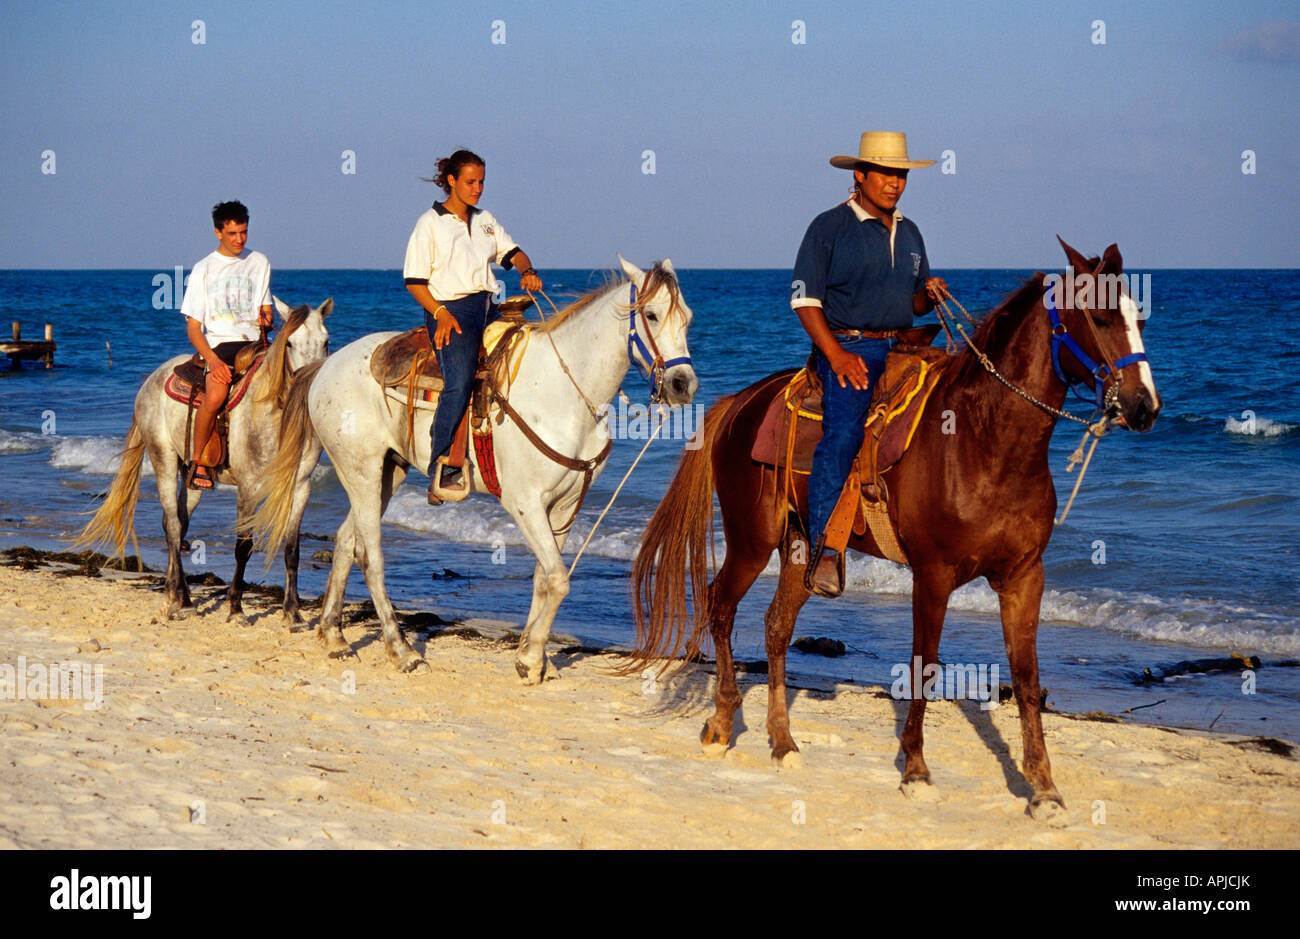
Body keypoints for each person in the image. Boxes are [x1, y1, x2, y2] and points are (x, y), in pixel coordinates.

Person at [791, 132, 949, 596]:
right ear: (859, 176)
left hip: (903, 344)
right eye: (884, 174)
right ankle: (823, 548)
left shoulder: (912, 231)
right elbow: (804, 301)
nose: (894, 183)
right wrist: (836, 355)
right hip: (849, 346)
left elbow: (912, 303)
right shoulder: (829, 227)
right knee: (844, 432)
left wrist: (928, 293)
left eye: (900, 175)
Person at [403, 149, 543, 504]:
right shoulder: (429, 224)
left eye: (481, 181)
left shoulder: (486, 220)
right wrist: (439, 314)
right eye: (470, 182)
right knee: (460, 380)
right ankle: (441, 464)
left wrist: (527, 271)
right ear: (452, 181)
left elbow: (512, 253)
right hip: (448, 311)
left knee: (532, 352)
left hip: (488, 307)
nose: (478, 188)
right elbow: (415, 282)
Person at [179, 200, 273, 490]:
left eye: (243, 232)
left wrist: (266, 318)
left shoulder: (260, 262)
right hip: (220, 345)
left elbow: (265, 309)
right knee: (216, 395)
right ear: (218, 232)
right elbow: (193, 328)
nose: (239, 239)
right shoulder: (204, 269)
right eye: (232, 234)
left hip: (255, 343)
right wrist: (214, 361)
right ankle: (199, 461)